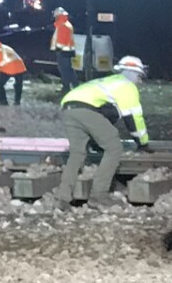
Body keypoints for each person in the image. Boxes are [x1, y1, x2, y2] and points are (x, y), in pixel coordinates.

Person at [56, 55, 149, 204]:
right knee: (114, 148)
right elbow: (133, 118)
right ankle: (98, 196)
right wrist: (143, 143)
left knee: (77, 154)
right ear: (134, 73)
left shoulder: (107, 82)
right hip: (87, 110)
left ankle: (62, 198)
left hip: (68, 107)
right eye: (139, 76)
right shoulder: (127, 86)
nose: (139, 80)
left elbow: (106, 115)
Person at [0, 35, 27, 106]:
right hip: (20, 66)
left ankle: (3, 101)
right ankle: (17, 101)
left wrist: (0, 70)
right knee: (18, 84)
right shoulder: (4, 46)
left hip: (9, 68)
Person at [50, 7, 77, 92]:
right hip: (67, 51)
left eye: (56, 16)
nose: (55, 18)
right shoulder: (65, 23)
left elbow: (61, 41)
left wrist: (57, 48)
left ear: (59, 16)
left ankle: (66, 88)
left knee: (64, 71)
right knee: (69, 70)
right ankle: (75, 86)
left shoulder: (62, 25)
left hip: (63, 52)